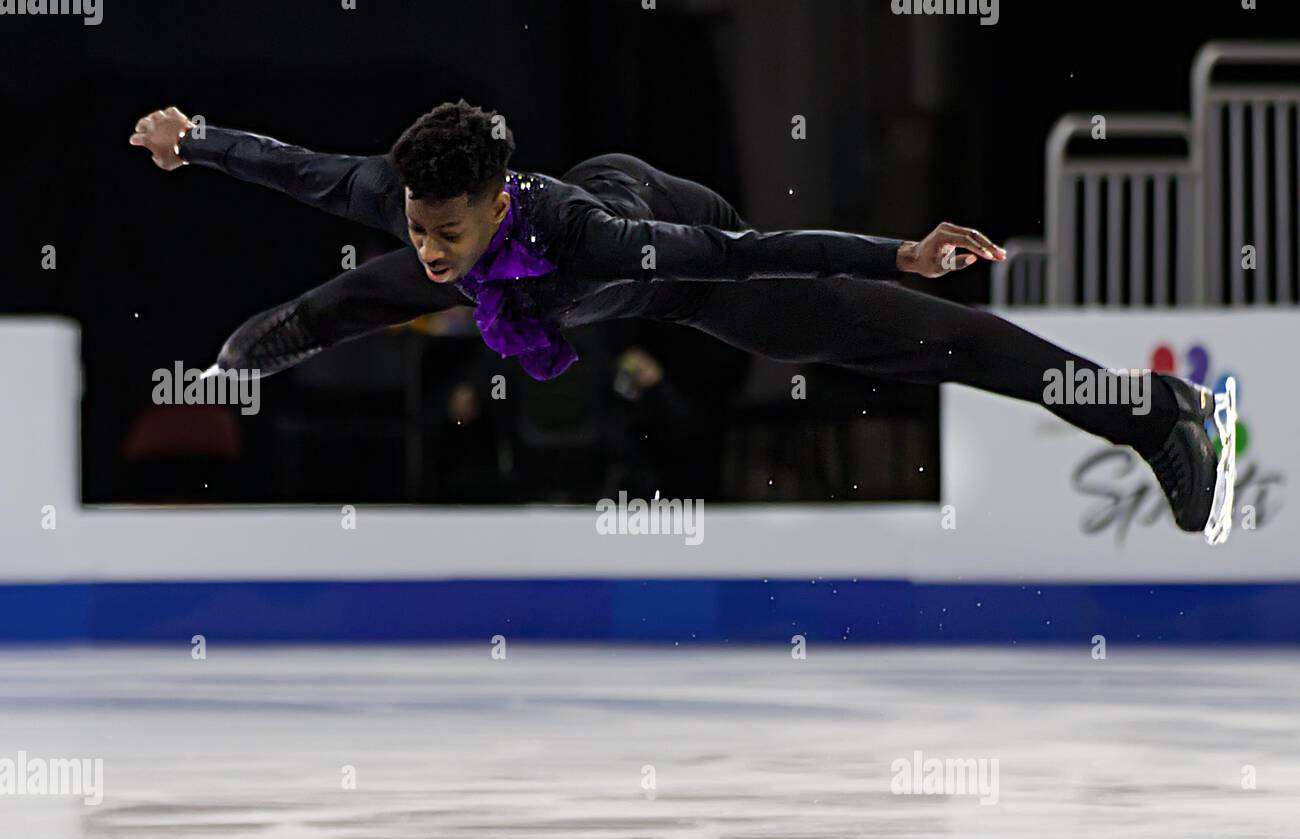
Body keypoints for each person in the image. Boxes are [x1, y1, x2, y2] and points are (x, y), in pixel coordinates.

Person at [129, 99, 1236, 542]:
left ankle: (1155, 415)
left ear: (500, 196)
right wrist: (199, 139)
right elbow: (304, 170)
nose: (426, 238)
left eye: (446, 226)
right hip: (548, 263)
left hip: (674, 245)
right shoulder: (417, 204)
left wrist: (894, 250)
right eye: (417, 221)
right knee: (406, 278)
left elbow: (755, 252)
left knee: (905, 336)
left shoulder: (602, 240)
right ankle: (282, 333)